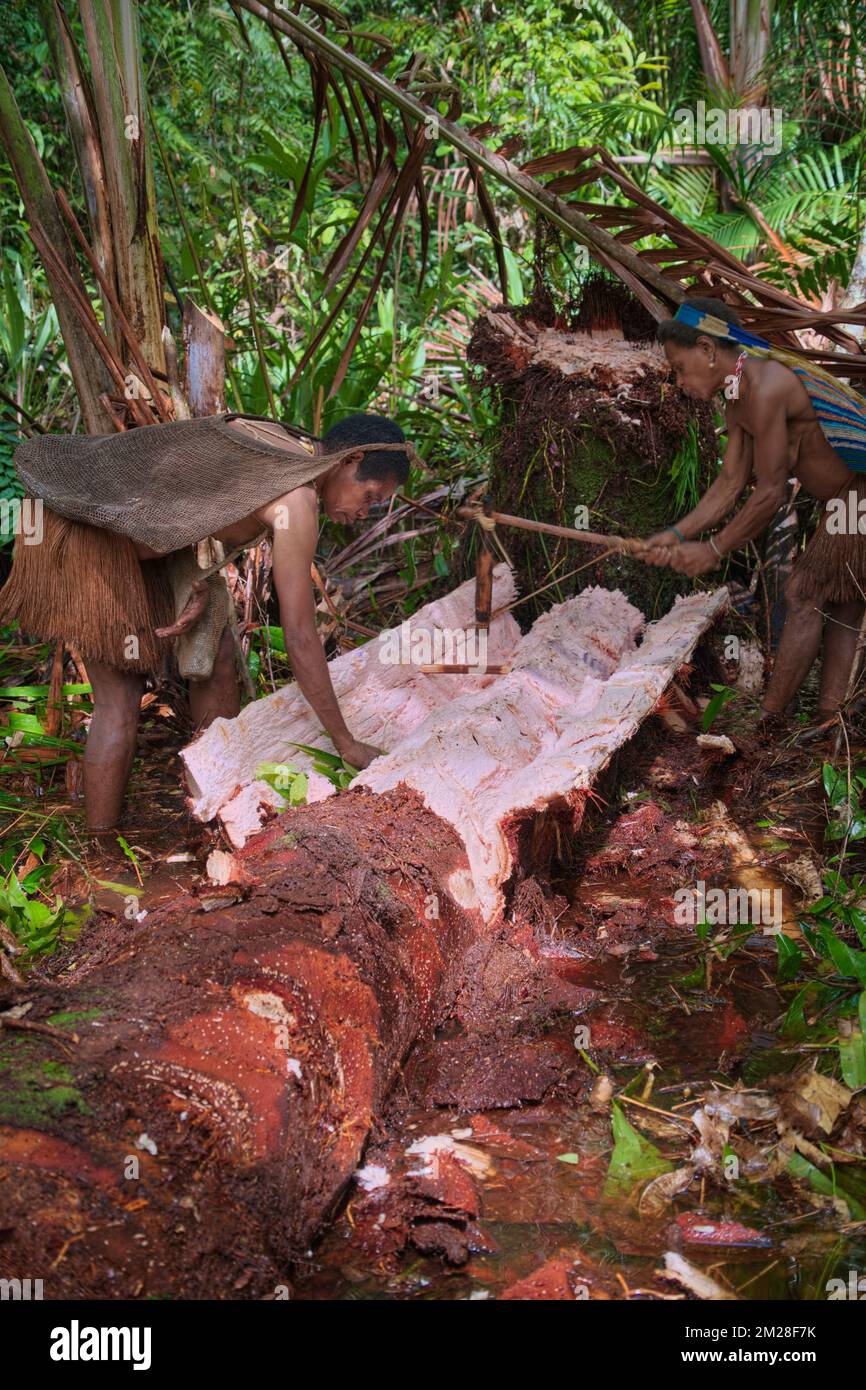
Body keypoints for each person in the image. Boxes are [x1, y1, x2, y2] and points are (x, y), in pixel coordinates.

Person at [0, 410, 411, 830]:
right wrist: (346, 744)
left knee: (218, 658)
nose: (366, 513)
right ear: (351, 460)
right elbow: (300, 635)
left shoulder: (270, 436)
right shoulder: (298, 499)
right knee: (119, 701)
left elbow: (187, 495)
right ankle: (99, 851)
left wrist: (192, 582)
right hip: (81, 534)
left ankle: (216, 806)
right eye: (372, 497)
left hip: (116, 542)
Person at [641, 297, 866, 730]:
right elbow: (729, 484)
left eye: (680, 367)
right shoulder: (737, 395)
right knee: (842, 602)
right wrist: (675, 533)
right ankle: (831, 719)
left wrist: (714, 548)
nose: (678, 379)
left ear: (708, 351)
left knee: (804, 593)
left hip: (858, 497)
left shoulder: (764, 387)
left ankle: (767, 723)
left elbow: (771, 492)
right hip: (846, 500)